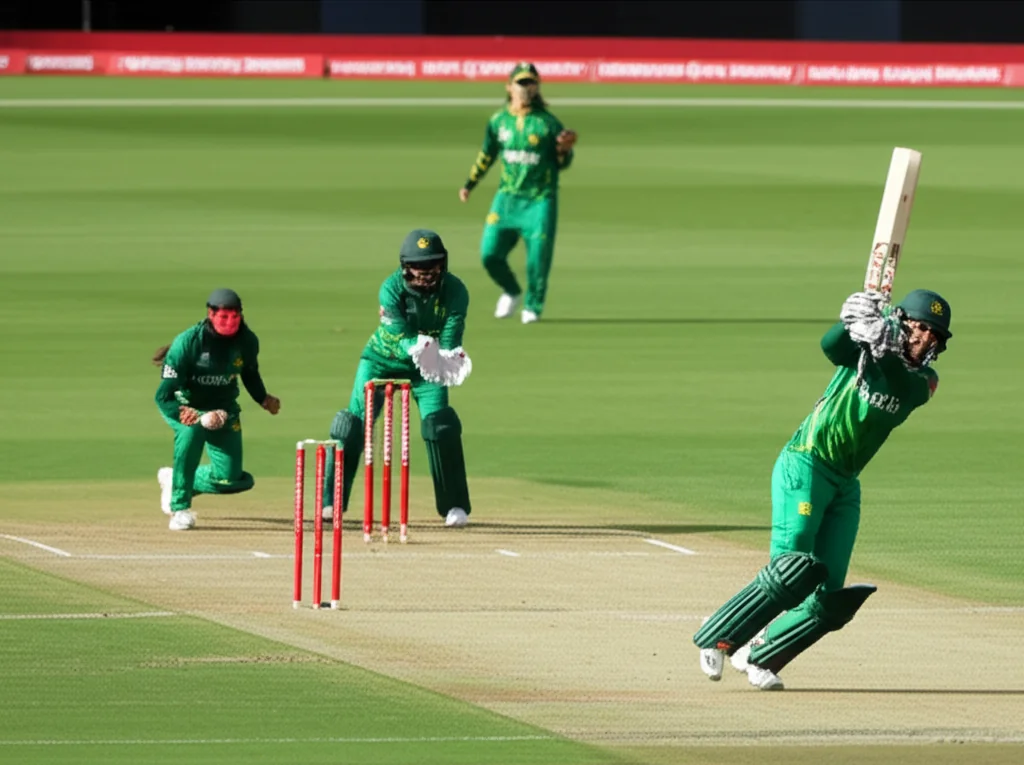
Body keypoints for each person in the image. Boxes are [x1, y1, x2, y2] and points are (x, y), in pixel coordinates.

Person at [692, 288, 953, 690]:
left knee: (831, 593)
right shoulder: (866, 349)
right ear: (900, 321)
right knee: (792, 567)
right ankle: (720, 636)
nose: (924, 339)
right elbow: (830, 346)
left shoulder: (924, 382)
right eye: (919, 327)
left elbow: (899, 382)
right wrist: (852, 324)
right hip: (806, 462)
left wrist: (878, 344)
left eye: (933, 335)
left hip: (845, 484)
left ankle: (762, 654)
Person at [321, 228, 474, 528]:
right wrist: (420, 347)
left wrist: (449, 356)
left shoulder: (456, 290)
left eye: (433, 266)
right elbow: (398, 333)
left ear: (443, 264)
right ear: (405, 267)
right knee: (350, 426)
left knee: (440, 425)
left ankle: (454, 505)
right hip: (381, 360)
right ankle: (332, 501)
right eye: (420, 267)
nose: (427, 273)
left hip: (426, 368)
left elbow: (452, 329)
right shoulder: (390, 288)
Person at [459, 61, 577, 325]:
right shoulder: (498, 121)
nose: (526, 88)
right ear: (509, 87)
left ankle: (533, 306)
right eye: (521, 83)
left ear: (537, 88)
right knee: (489, 254)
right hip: (507, 198)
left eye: (530, 83)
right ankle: (512, 291)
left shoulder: (547, 123)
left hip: (540, 200)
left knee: (537, 259)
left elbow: (563, 163)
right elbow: (487, 154)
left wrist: (564, 151)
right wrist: (470, 184)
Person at [153, 288, 281, 531]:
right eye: (223, 318)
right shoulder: (188, 343)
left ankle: (175, 480)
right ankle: (179, 508)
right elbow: (163, 396)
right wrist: (189, 415)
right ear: (210, 314)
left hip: (224, 410)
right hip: (187, 404)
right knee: (190, 433)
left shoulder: (248, 341)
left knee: (232, 479)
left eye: (235, 317)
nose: (230, 323)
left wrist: (264, 398)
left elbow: (250, 374)